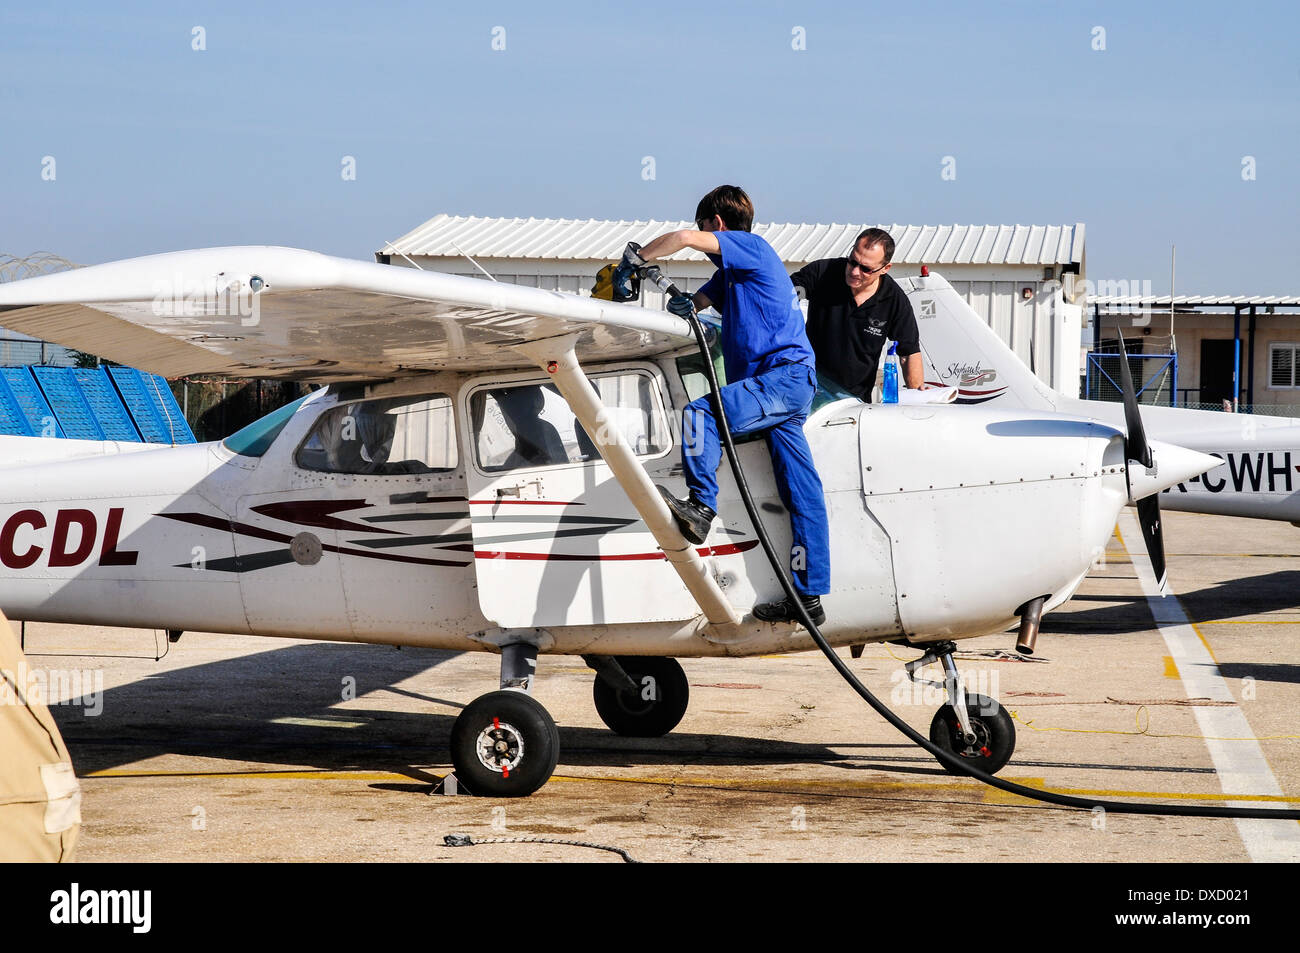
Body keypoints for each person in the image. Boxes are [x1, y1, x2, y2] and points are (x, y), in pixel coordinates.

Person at [610, 185, 830, 626]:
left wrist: (633, 261)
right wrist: (685, 305)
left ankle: (700, 508)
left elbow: (681, 239)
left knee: (700, 413)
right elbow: (700, 305)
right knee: (802, 492)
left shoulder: (751, 247)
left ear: (718, 224)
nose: (701, 235)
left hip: (781, 379)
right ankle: (807, 597)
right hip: (787, 386)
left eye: (704, 226)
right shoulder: (731, 276)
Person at [791, 227, 923, 401]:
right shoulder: (822, 273)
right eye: (852, 261)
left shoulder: (894, 300)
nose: (854, 272)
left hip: (852, 401)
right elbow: (786, 295)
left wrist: (918, 398)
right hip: (809, 388)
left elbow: (908, 353)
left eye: (865, 269)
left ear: (885, 268)